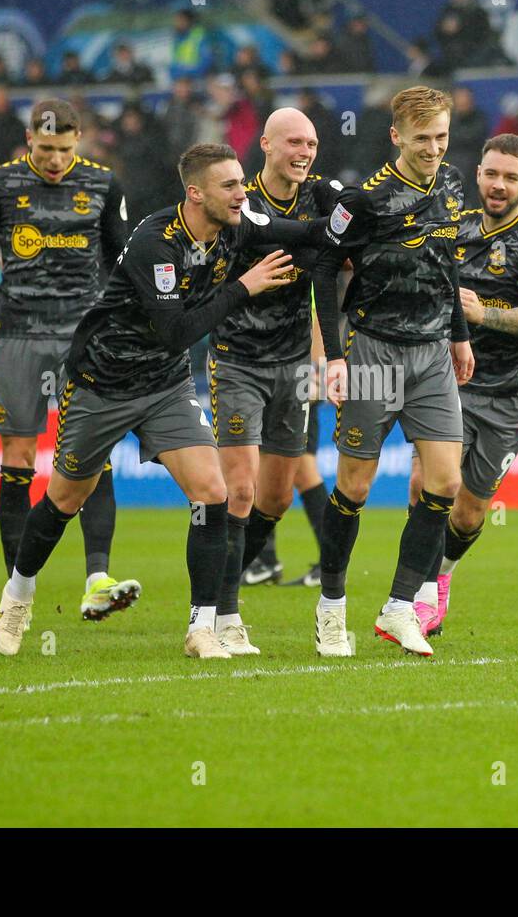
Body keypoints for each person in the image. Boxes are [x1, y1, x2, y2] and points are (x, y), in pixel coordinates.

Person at [0, 142, 327, 659]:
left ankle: (201, 629)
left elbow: (305, 234)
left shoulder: (240, 224)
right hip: (102, 383)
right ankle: (18, 592)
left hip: (165, 387)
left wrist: (353, 216)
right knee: (64, 500)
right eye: (230, 185)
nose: (243, 193)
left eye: (242, 182)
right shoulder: (155, 242)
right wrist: (245, 286)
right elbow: (175, 331)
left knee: (212, 492)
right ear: (196, 194)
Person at [0, 99, 140, 623]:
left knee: (92, 454)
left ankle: (98, 581)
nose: (53, 160)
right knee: (19, 456)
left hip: (84, 336)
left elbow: (122, 261)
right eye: (45, 149)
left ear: (79, 141)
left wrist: (135, 321)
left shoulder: (102, 184)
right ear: (29, 139)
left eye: (64, 150)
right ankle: (16, 595)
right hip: (20, 334)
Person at [310, 86, 473, 658]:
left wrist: (459, 335)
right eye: (423, 137)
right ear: (396, 136)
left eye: (442, 136)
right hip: (374, 351)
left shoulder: (453, 185)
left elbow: (446, 264)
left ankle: (400, 607)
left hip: (431, 356)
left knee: (446, 483)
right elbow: (325, 268)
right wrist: (332, 356)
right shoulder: (365, 200)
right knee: (354, 485)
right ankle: (331, 609)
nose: (434, 148)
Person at [407, 133, 518, 636]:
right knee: (427, 483)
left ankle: (443, 575)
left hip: (510, 392)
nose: (499, 185)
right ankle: (419, 592)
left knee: (470, 512)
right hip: (446, 382)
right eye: (492, 174)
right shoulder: (453, 227)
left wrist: (484, 313)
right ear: (477, 174)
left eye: (510, 178)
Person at [206, 108, 341, 654]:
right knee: (239, 489)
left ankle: (221, 585)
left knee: (276, 497)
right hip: (238, 359)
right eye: (293, 142)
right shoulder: (240, 201)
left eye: (311, 143)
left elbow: (348, 234)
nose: (304, 152)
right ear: (265, 144)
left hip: (292, 365)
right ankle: (226, 616)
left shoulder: (320, 197)